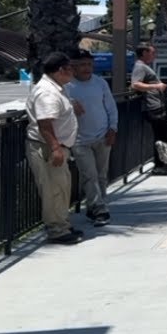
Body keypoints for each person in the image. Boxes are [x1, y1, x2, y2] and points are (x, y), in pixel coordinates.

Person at [24, 52, 82, 245]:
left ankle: (62, 223)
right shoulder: (47, 92)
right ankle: (57, 230)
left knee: (62, 187)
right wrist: (56, 148)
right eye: (70, 68)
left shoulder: (57, 88)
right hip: (48, 148)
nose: (73, 72)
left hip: (58, 147)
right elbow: (45, 123)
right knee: (53, 190)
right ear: (61, 70)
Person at [65, 49, 117, 226]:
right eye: (81, 65)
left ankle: (95, 207)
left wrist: (113, 128)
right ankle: (100, 209)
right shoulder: (67, 86)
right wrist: (70, 105)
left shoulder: (100, 83)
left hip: (102, 135)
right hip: (80, 139)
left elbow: (111, 107)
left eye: (88, 64)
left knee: (101, 175)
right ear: (73, 67)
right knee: (90, 174)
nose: (86, 68)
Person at [131, 44, 167, 175]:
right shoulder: (140, 67)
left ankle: (166, 161)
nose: (155, 55)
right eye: (152, 53)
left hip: (158, 105)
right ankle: (161, 164)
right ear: (144, 53)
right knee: (162, 135)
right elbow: (135, 84)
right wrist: (157, 86)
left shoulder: (145, 67)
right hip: (153, 108)